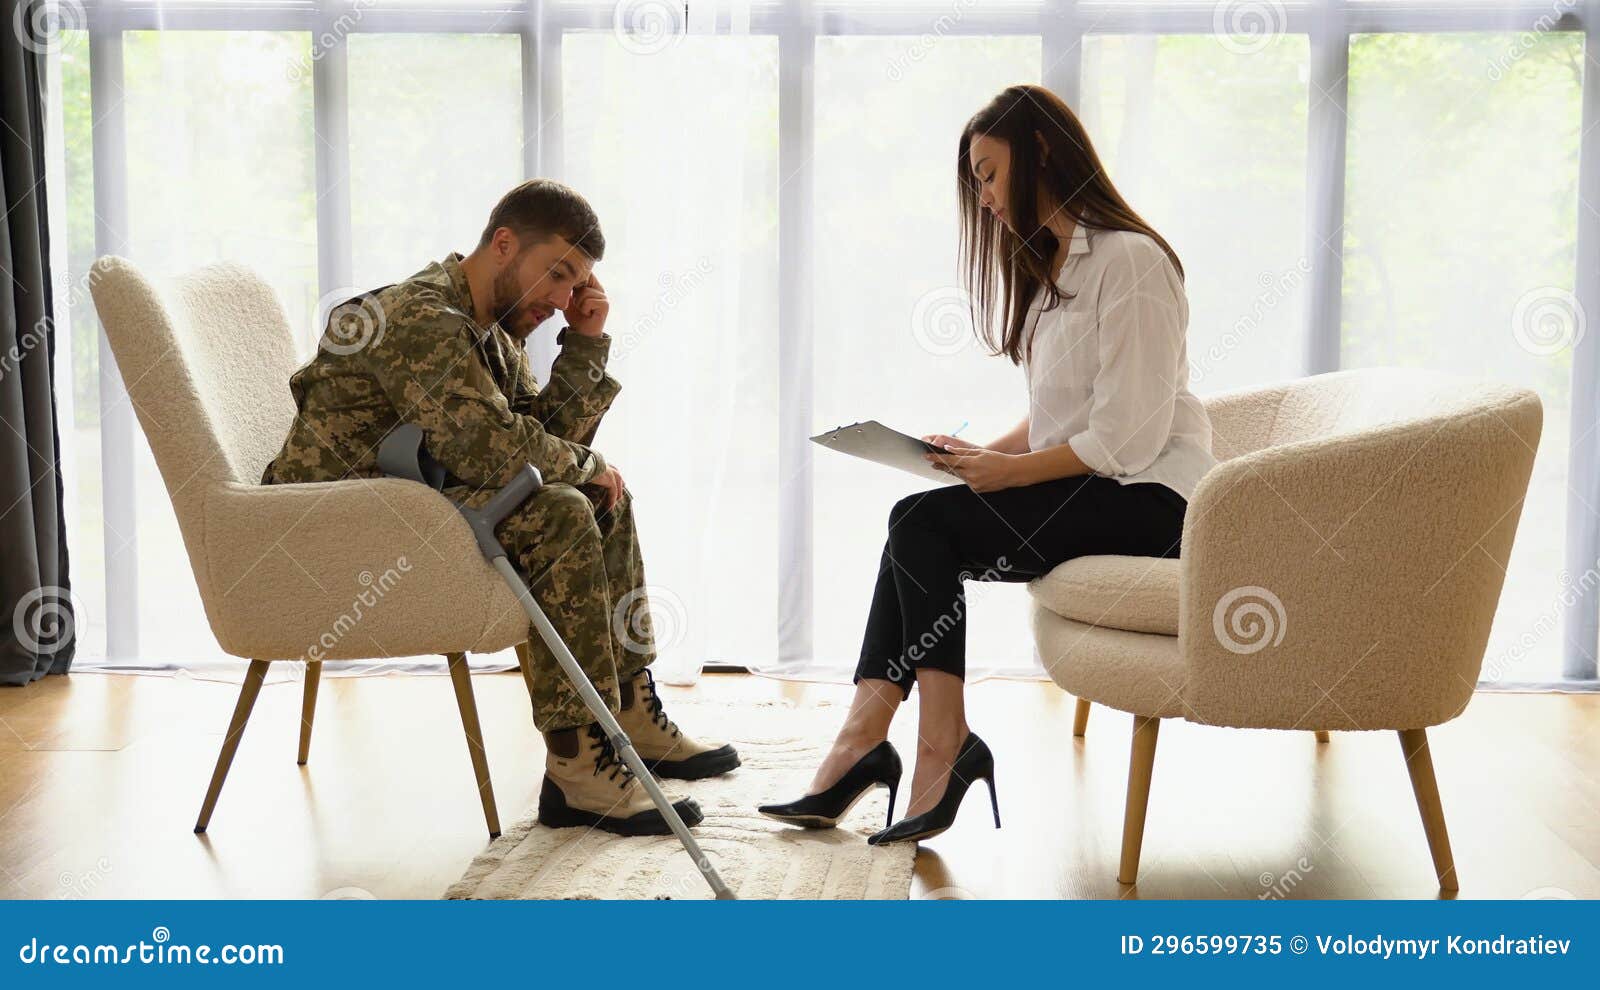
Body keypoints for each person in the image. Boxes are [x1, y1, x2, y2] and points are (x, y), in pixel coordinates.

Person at [760, 84, 1218, 844]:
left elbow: (1127, 440)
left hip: (1152, 503)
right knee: (918, 518)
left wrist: (1007, 476)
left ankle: (923, 743)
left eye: (989, 173)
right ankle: (871, 740)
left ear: (1041, 153)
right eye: (975, 182)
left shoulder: (1132, 261)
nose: (984, 197)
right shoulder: (1055, 273)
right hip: (1096, 486)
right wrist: (975, 457)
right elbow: (1057, 417)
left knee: (923, 526)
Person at [262, 179, 739, 837]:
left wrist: (586, 344)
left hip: (406, 499)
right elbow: (493, 450)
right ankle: (578, 773)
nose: (563, 300)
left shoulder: (489, 331)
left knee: (601, 501)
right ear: (504, 244)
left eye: (577, 286)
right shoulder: (422, 318)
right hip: (337, 527)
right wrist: (588, 466)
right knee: (563, 512)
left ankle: (626, 715)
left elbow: (541, 448)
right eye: (558, 275)